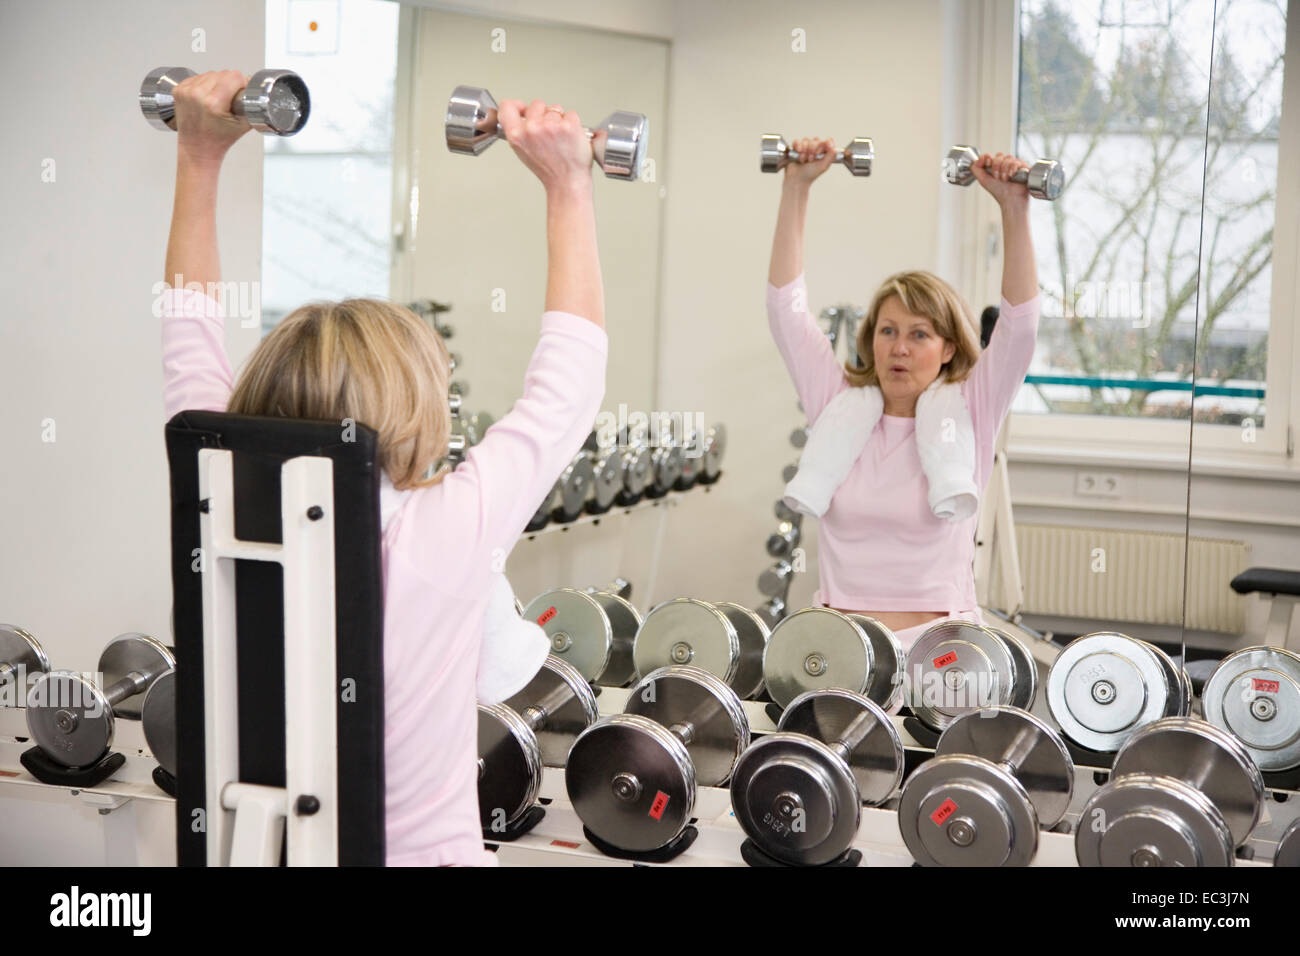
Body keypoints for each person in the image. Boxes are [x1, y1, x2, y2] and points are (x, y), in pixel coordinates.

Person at [159, 70, 607, 864]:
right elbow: (568, 389)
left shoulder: (212, 486)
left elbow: (186, 335)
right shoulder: (444, 531)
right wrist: (569, 186)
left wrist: (199, 156)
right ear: (411, 412)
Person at [766, 136, 1039, 653]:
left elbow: (1020, 328)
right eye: (887, 330)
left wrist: (1013, 207)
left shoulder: (969, 411)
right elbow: (786, 310)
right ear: (870, 337)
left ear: (948, 348)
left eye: (919, 334)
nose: (900, 348)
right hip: (839, 648)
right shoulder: (838, 406)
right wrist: (795, 187)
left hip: (939, 648)